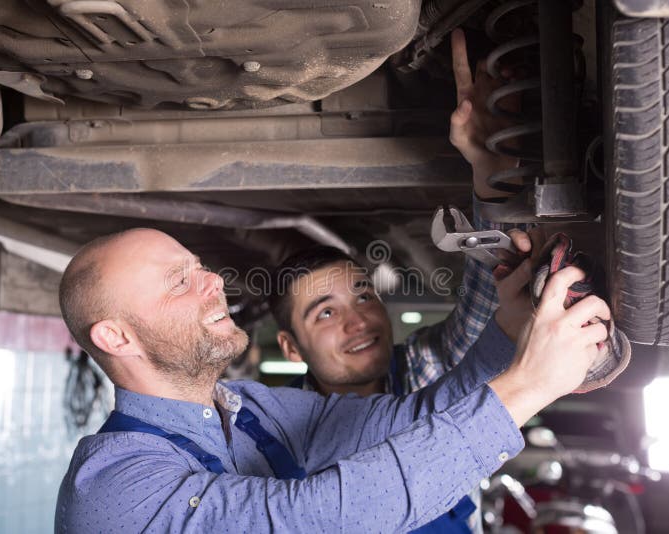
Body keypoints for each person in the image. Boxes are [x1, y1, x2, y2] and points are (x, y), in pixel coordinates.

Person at [54, 220, 611, 531]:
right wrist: (530, 385)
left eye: (202, 268)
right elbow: (314, 519)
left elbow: (409, 419)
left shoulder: (248, 408)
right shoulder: (111, 491)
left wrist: (509, 330)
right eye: (180, 282)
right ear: (117, 338)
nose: (215, 282)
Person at [266, 29, 545, 533]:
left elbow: (488, 308)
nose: (359, 321)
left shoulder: (426, 367)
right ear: (289, 347)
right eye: (325, 312)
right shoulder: (271, 433)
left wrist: (490, 169)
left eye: (363, 295)